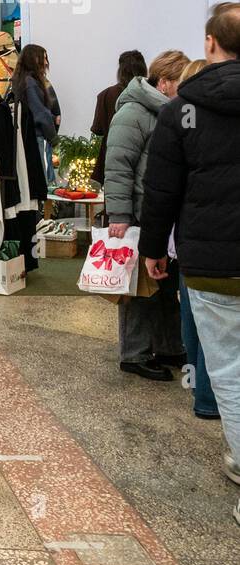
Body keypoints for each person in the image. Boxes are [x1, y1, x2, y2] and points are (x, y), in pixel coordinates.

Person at [141, 3, 240, 518]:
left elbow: (161, 190)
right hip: (210, 257)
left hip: (209, 261)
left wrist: (153, 251)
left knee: (225, 367)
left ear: (208, 44)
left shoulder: (180, 111)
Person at [104, 48, 190, 380]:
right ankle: (134, 353)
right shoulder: (133, 112)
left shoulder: (166, 111)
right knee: (138, 288)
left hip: (160, 213)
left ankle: (169, 345)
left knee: (165, 285)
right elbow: (118, 167)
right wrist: (120, 215)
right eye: (180, 82)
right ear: (165, 81)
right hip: (139, 213)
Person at [173, 59, 218, 420]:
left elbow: (164, 187)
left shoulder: (181, 121)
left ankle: (199, 388)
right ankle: (205, 394)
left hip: (191, 238)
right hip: (209, 240)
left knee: (196, 315)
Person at [91, 50, 147, 187]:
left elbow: (98, 129)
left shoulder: (105, 95)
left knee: (114, 202)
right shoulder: (149, 95)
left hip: (112, 160)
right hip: (142, 160)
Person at [11, 44, 58, 191]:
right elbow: (40, 114)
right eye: (43, 58)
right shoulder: (31, 83)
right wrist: (54, 137)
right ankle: (46, 213)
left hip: (24, 138)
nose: (45, 62)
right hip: (38, 137)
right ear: (34, 59)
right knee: (46, 183)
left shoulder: (18, 80)